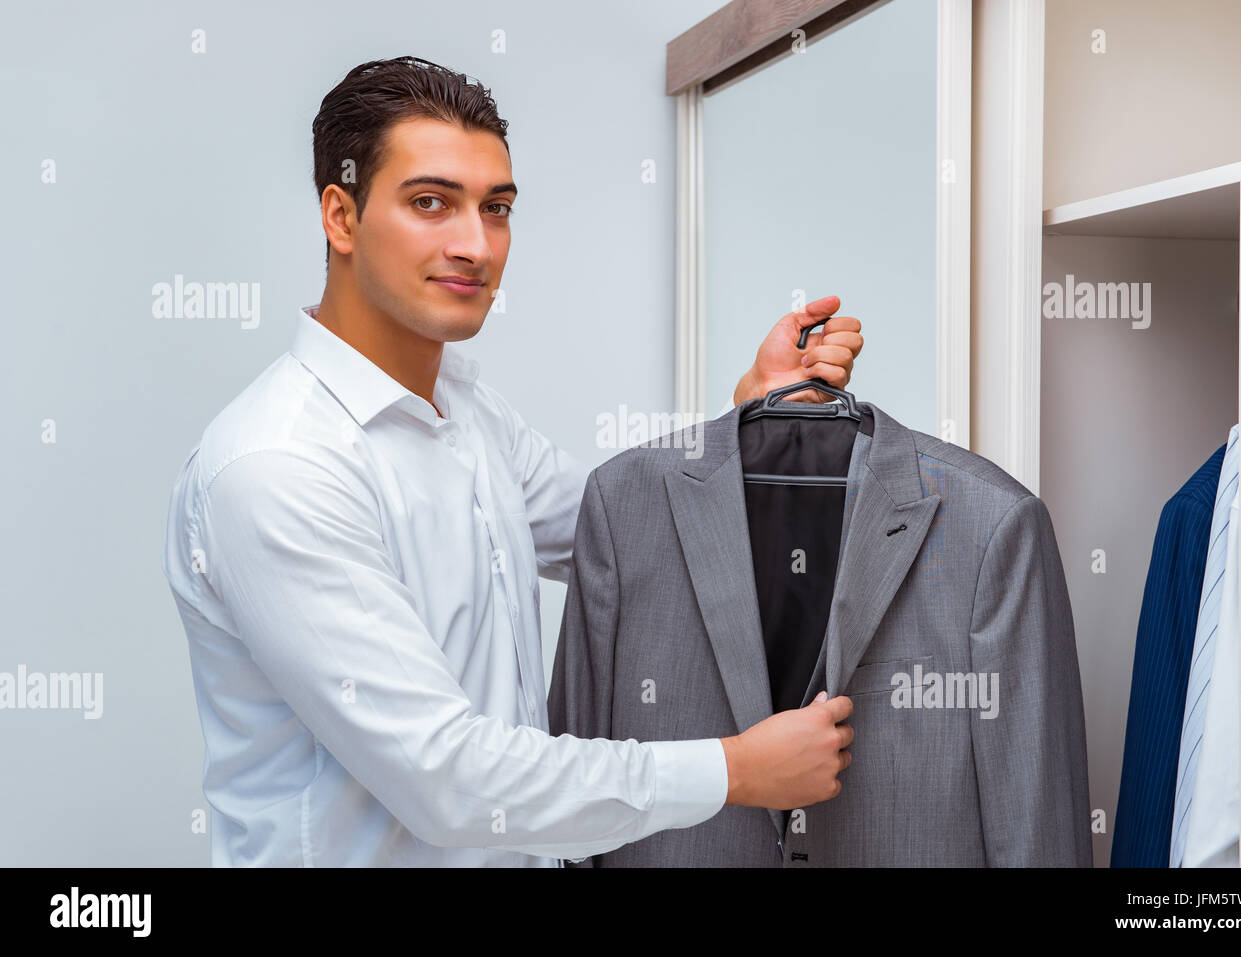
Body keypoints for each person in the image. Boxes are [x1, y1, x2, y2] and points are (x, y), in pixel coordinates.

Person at [160, 56, 866, 867]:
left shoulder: (469, 413)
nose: (476, 244)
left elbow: (625, 537)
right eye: (431, 203)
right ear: (341, 217)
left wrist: (749, 414)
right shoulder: (278, 467)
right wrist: (737, 769)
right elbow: (450, 781)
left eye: (496, 208)